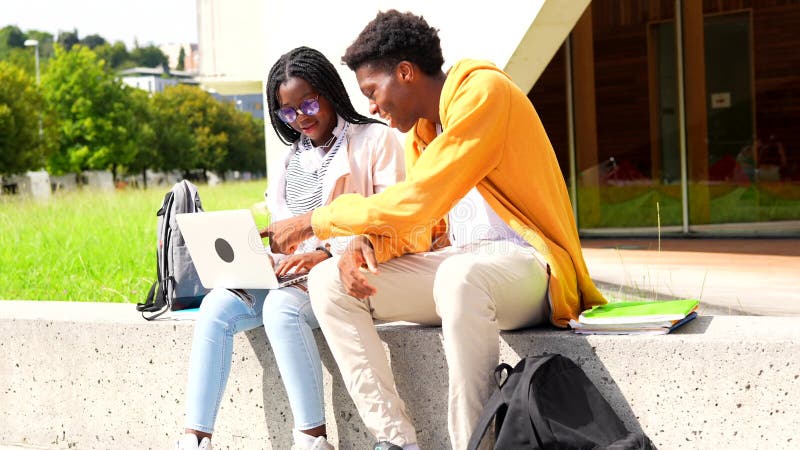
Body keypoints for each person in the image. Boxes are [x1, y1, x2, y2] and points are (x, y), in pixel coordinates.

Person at [266, 11, 607, 450]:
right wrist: (365, 248)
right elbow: (422, 226)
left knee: (459, 276)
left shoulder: (484, 93)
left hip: (530, 267)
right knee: (328, 280)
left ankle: (473, 443)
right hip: (463, 268)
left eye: (372, 91)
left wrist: (316, 221)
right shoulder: (422, 134)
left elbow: (421, 198)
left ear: (405, 72)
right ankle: (396, 441)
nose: (371, 106)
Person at [175, 46, 404, 450]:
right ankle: (196, 439)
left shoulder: (375, 140)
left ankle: (312, 439)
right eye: (288, 111)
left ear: (331, 91)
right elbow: (286, 231)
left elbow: (390, 222)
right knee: (216, 308)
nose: (301, 117)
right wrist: (261, 259)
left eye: (309, 102)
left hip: (342, 274)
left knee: (281, 311)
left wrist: (323, 255)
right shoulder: (289, 160)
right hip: (287, 275)